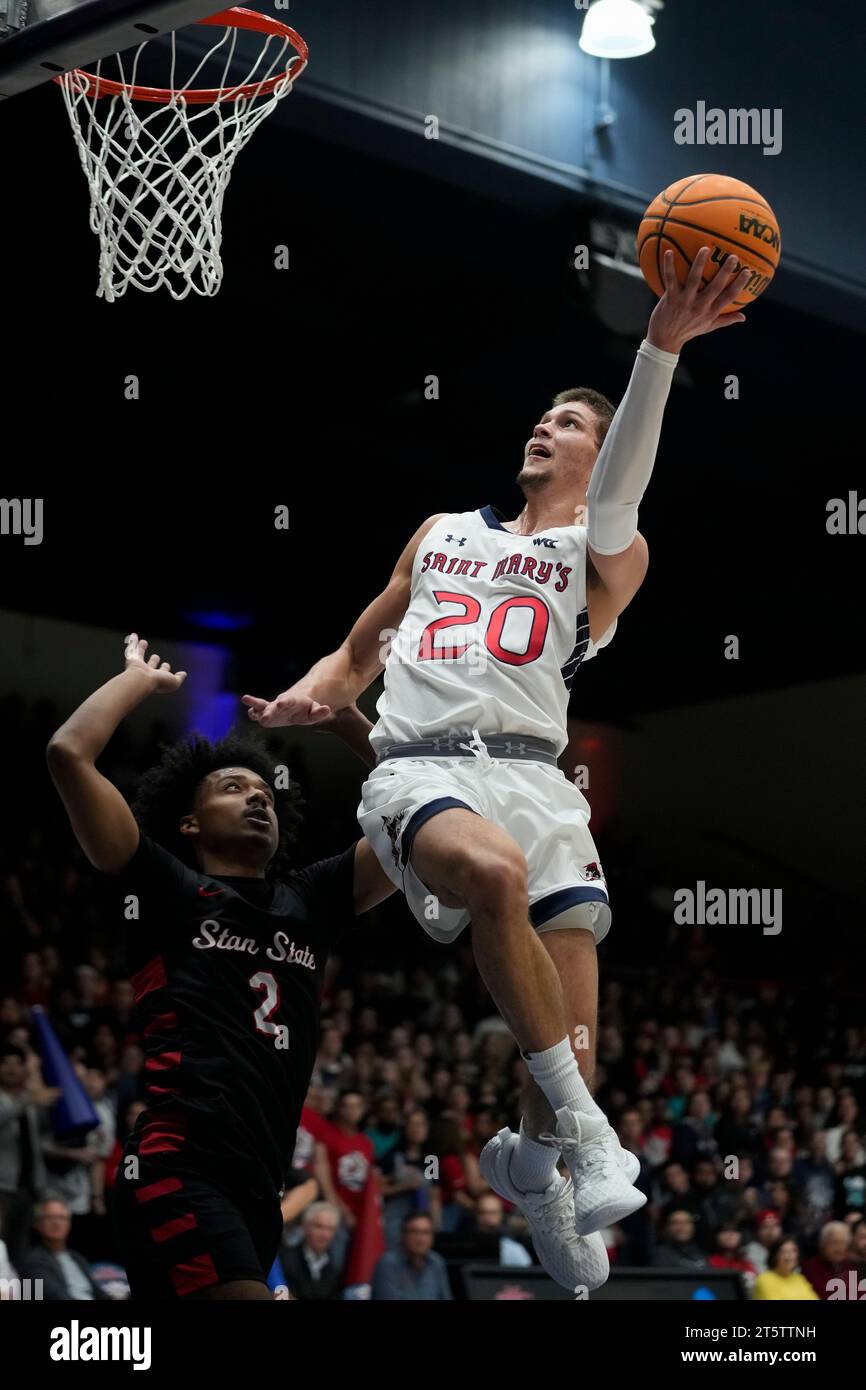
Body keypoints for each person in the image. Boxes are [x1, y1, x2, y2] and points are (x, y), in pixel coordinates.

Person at [244, 247, 754, 1292]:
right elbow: (357, 649)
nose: (542, 426)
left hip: (537, 778)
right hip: (418, 765)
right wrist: (310, 691)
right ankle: (585, 1133)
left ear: (603, 453)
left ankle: (534, 1168)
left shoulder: (606, 555)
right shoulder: (437, 532)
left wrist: (654, 351)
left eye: (569, 423)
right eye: (540, 416)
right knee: (493, 878)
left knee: (568, 1022)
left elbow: (619, 500)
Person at [46, 634, 394, 1300]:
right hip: (178, 1166)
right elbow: (68, 753)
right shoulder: (166, 888)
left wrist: (349, 718)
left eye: (265, 791)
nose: (258, 798)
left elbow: (418, 814)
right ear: (189, 824)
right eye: (234, 788)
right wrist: (135, 682)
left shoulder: (312, 899)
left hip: (261, 1187)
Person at [18, 1196, 111, 1301]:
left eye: (61, 1217)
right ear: (37, 1224)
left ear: (69, 1224)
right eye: (50, 1217)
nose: (56, 1223)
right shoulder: (31, 1261)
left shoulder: (77, 1258)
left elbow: (98, 1293)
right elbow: (51, 1296)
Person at [372, 1213, 452, 1301]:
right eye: (414, 1232)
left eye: (426, 1233)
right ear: (403, 1235)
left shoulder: (436, 1262)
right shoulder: (388, 1264)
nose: (420, 1239)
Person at [281, 1202, 342, 1300]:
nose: (324, 1235)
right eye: (319, 1226)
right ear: (305, 1227)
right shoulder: (285, 1259)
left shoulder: (335, 1268)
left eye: (330, 1229)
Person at [801, 1221, 859, 1299]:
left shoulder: (850, 1267)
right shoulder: (810, 1268)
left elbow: (858, 1295)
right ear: (823, 1244)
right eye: (835, 1242)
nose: (839, 1248)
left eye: (843, 1243)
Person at [475, 1193, 532, 1267]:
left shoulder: (514, 1250)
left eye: (493, 1213)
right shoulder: (465, 1246)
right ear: (475, 1215)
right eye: (482, 1212)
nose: (487, 1218)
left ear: (501, 1215)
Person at [752, 1238, 819, 1301]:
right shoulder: (764, 1279)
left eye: (793, 1251)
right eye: (784, 1252)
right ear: (774, 1256)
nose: (789, 1256)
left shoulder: (799, 1278)